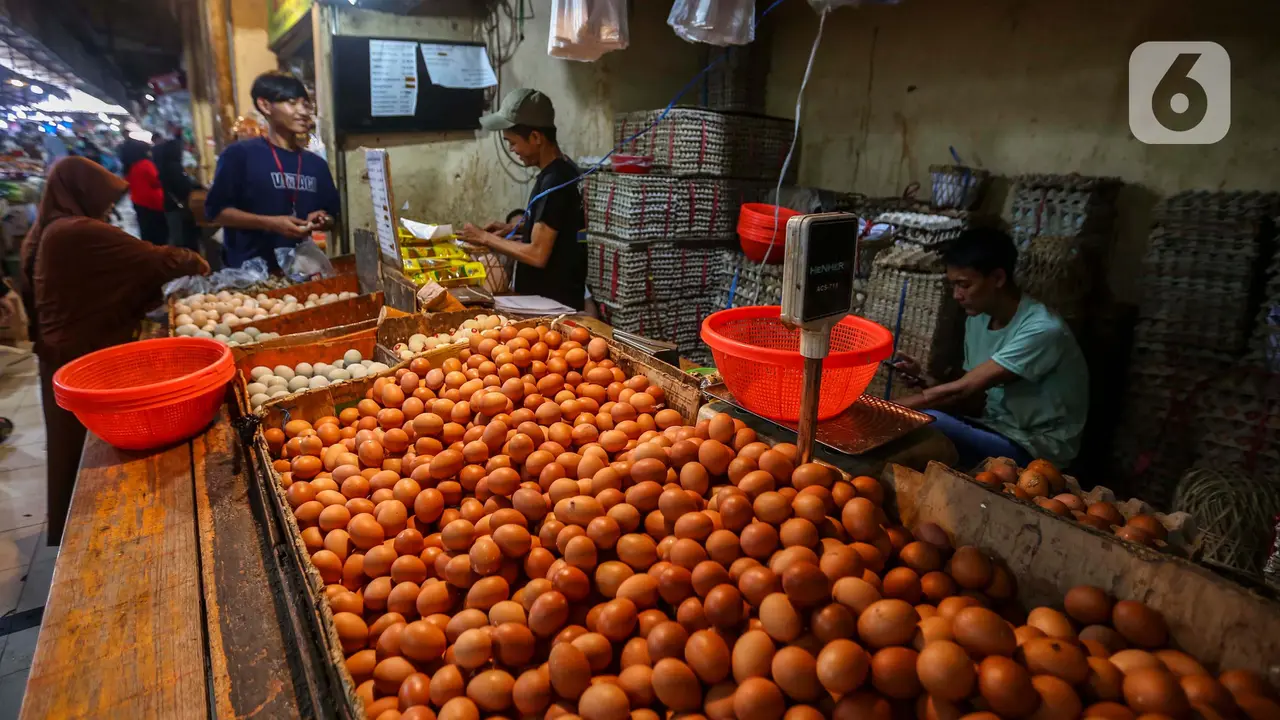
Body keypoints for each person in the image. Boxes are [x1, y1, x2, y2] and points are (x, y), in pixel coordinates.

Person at [20, 157, 209, 546]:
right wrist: (196, 262)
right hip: (79, 351)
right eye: (104, 197)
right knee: (86, 449)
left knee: (70, 443)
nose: (108, 207)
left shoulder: (47, 229)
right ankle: (93, 536)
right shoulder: (76, 231)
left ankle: (79, 530)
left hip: (60, 351)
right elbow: (153, 259)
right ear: (82, 192)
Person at [894, 227, 1089, 470]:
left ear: (997, 278)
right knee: (925, 419)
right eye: (953, 285)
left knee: (929, 422)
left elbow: (961, 391)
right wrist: (926, 382)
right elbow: (974, 398)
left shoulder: (1042, 330)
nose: (956, 295)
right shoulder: (977, 318)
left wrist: (884, 410)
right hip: (993, 427)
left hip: (1035, 449)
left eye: (964, 285)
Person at [459, 89, 586, 311]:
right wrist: (513, 228)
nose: (512, 150)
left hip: (553, 305)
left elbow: (538, 254)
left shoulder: (555, 182)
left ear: (536, 138)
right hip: (553, 298)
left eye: (513, 142)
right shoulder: (565, 169)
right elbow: (558, 230)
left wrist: (484, 237)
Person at [204, 72, 339, 270]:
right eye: (292, 103)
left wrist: (323, 219)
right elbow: (216, 212)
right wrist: (270, 223)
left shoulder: (315, 164)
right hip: (248, 275)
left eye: (305, 104)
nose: (302, 111)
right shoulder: (239, 155)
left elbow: (332, 215)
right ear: (265, 106)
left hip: (301, 272)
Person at [154, 123, 198, 250]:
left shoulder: (164, 165)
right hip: (176, 207)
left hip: (169, 204)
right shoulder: (174, 167)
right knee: (180, 237)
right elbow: (183, 187)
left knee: (175, 235)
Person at [120, 139, 168, 245]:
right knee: (160, 235)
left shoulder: (128, 167)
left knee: (146, 233)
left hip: (138, 202)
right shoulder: (145, 164)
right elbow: (156, 181)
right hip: (154, 203)